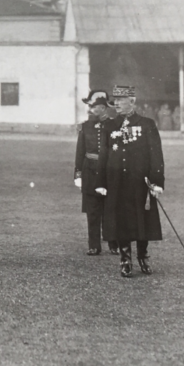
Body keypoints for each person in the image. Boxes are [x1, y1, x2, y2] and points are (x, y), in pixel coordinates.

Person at [96, 85, 165, 278]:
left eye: (120, 99)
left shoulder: (147, 124)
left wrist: (157, 182)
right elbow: (103, 155)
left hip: (140, 182)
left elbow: (156, 155)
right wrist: (101, 182)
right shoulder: (109, 125)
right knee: (121, 221)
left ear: (132, 101)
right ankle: (125, 259)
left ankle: (143, 256)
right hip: (116, 183)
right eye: (114, 100)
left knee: (142, 219)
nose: (116, 103)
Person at [74, 90, 116, 255]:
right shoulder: (85, 126)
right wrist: (78, 173)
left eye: (97, 106)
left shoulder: (114, 125)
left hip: (109, 171)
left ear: (104, 107)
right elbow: (80, 151)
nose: (93, 109)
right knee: (92, 210)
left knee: (111, 209)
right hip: (90, 171)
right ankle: (94, 245)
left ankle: (113, 244)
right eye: (92, 106)